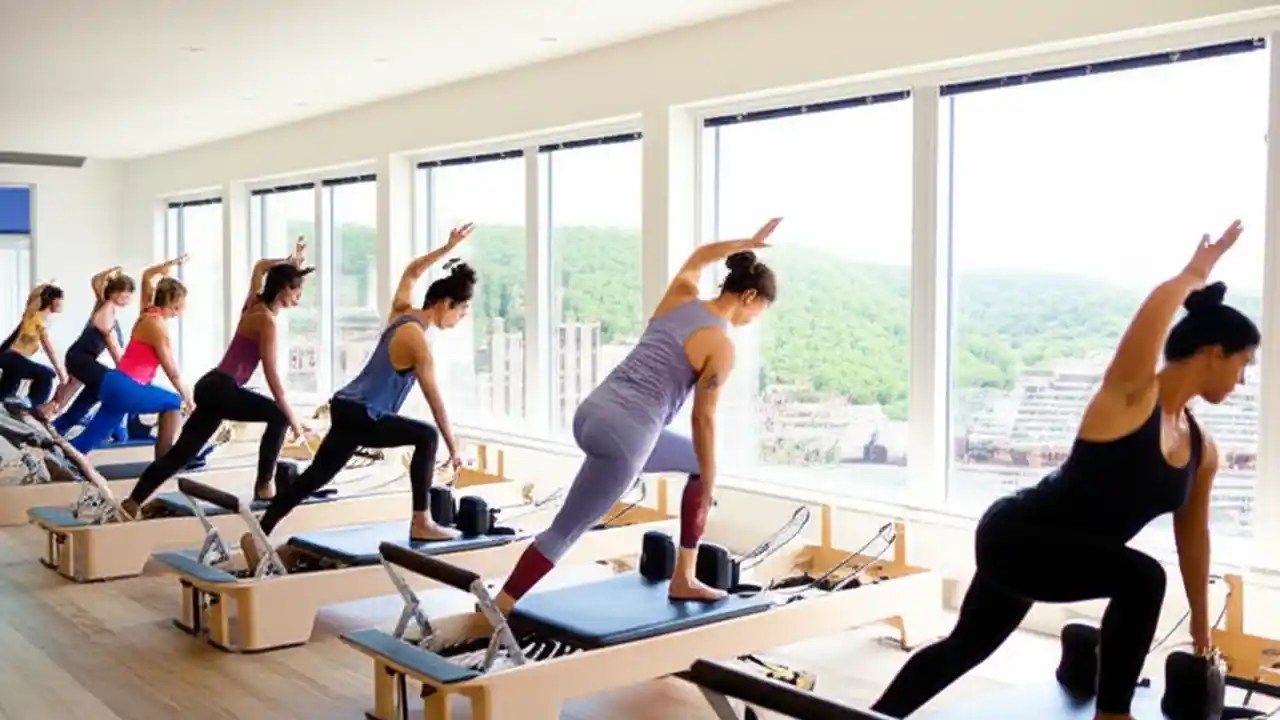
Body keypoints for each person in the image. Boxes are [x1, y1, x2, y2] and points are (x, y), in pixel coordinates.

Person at [870, 220, 1258, 720]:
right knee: (1141, 577)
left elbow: (1194, 538)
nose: (1243, 379)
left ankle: (1081, 654)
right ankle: (1112, 714)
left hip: (1067, 555)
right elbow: (1149, 321)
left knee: (965, 647)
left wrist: (1203, 633)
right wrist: (1192, 274)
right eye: (1242, 363)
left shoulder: (1204, 449)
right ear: (1212, 352)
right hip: (1017, 534)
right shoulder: (1130, 396)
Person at [494, 217, 782, 614]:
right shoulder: (721, 345)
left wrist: (746, 242)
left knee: (697, 463)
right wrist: (712, 481)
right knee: (565, 532)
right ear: (750, 296)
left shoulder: (681, 296)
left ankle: (684, 577)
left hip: (592, 413)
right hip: (627, 434)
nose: (755, 319)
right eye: (761, 309)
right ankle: (496, 610)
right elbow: (703, 420)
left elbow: (699, 256)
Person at [242, 224, 476, 564]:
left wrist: (447, 247)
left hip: (345, 406)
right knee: (426, 435)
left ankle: (258, 533)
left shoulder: (402, 312)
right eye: (462, 310)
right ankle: (421, 521)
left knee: (315, 476)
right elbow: (435, 402)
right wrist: (453, 448)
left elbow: (413, 270)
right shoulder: (418, 343)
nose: (461, 318)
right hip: (365, 414)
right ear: (444, 304)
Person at [121, 242, 314, 518]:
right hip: (223, 389)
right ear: (284, 288)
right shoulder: (266, 321)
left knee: (181, 454)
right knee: (279, 416)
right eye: (297, 291)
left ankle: (132, 501)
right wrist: (294, 421)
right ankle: (264, 486)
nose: (298, 298)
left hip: (211, 386)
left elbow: (260, 267)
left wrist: (288, 264)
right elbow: (275, 383)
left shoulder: (253, 305)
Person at [69, 256, 192, 467]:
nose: (182, 311)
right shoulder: (158, 328)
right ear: (172, 305)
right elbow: (173, 372)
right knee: (174, 403)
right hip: (127, 387)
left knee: (88, 439)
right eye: (180, 307)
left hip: (113, 384)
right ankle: (163, 465)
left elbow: (146, 276)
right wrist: (188, 399)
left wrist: (162, 268)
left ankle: (57, 454)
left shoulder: (147, 312)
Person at [50, 267, 135, 440]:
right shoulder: (104, 307)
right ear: (113, 293)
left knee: (96, 390)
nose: (127, 300)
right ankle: (114, 428)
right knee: (111, 383)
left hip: (82, 358)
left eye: (129, 296)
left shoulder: (109, 309)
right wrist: (114, 271)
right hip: (79, 358)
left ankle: (60, 427)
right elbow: (97, 280)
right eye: (124, 295)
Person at [0, 282, 68, 412]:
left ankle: (10, 405)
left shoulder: (32, 316)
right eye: (60, 299)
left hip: (9, 358)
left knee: (7, 388)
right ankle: (30, 405)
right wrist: (61, 373)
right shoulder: (37, 319)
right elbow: (50, 350)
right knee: (47, 375)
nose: (62, 303)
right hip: (12, 357)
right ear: (53, 301)